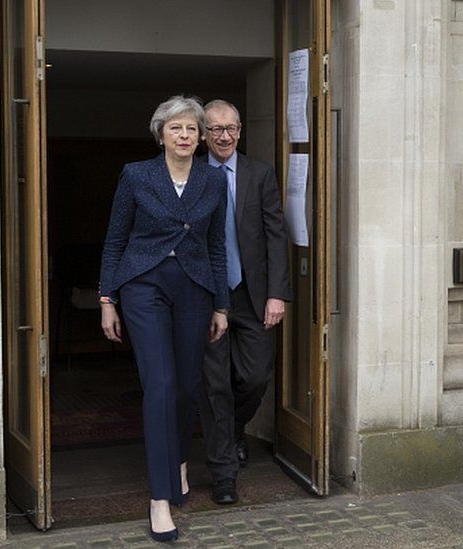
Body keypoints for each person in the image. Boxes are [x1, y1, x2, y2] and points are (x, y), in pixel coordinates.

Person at [99, 95, 229, 542]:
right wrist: (106, 298)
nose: (185, 136)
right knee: (160, 385)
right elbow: (115, 239)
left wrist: (221, 305)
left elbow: (216, 246)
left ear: (201, 137)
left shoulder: (213, 181)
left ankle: (177, 463)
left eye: (192, 129)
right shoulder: (137, 175)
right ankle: (160, 498)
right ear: (161, 135)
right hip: (143, 285)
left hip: (194, 286)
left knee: (187, 384)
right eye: (176, 128)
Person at [198, 99, 292, 504]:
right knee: (214, 383)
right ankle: (224, 471)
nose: (224, 136)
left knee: (254, 377)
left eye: (231, 128)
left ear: (240, 131)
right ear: (203, 133)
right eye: (216, 129)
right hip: (207, 296)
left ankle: (233, 430)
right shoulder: (191, 173)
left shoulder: (259, 174)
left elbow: (276, 235)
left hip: (253, 295)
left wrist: (277, 293)